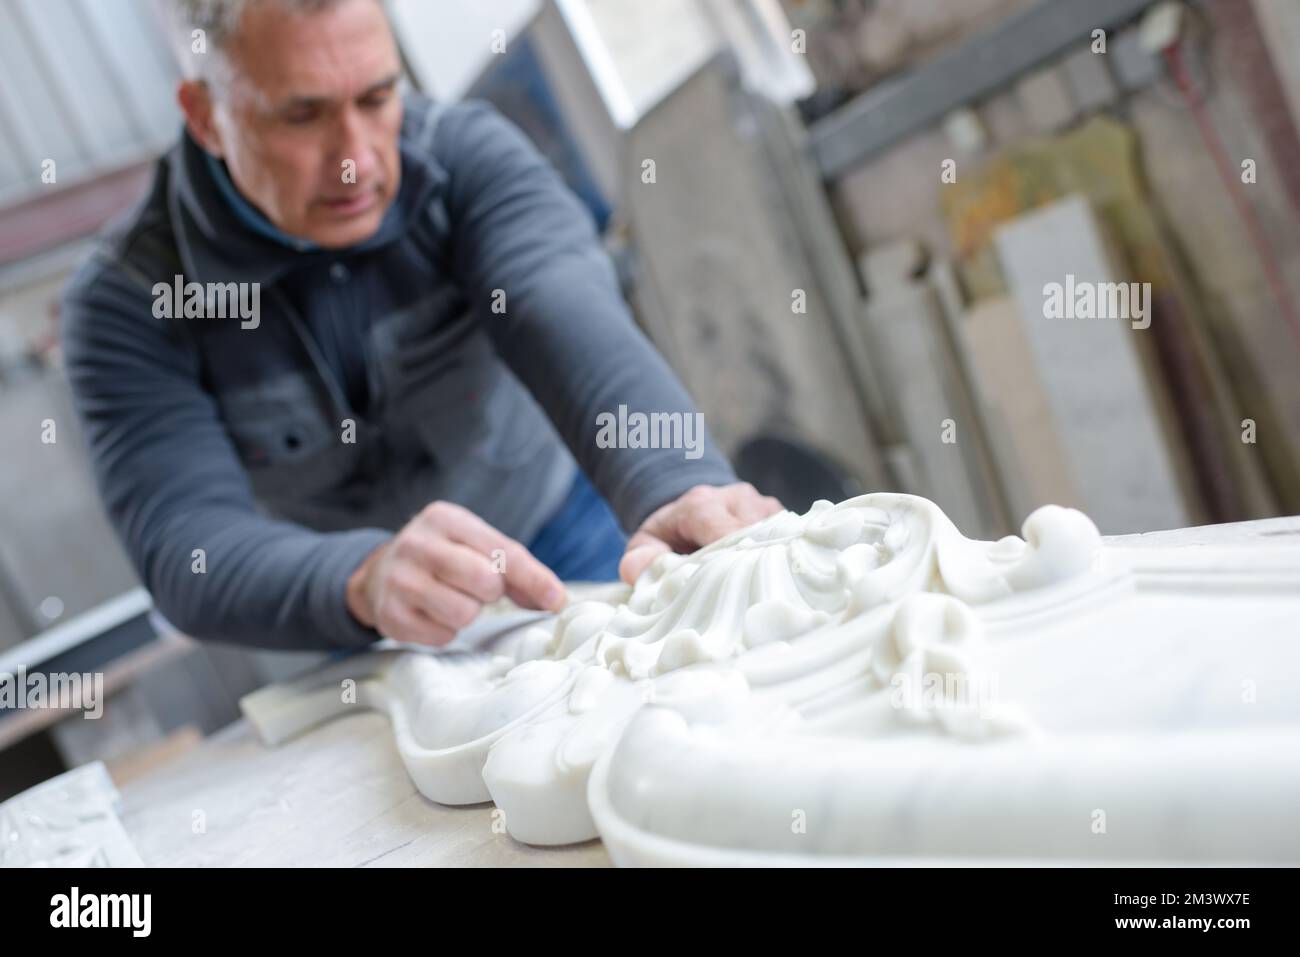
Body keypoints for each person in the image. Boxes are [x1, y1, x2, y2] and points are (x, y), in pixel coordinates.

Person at [61, 0, 782, 651]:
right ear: (205, 116)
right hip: (340, 617)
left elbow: (565, 313)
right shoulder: (127, 299)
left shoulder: (468, 160)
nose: (355, 163)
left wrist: (674, 483)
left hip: (563, 539)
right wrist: (359, 578)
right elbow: (185, 543)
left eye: (378, 98)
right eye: (302, 115)